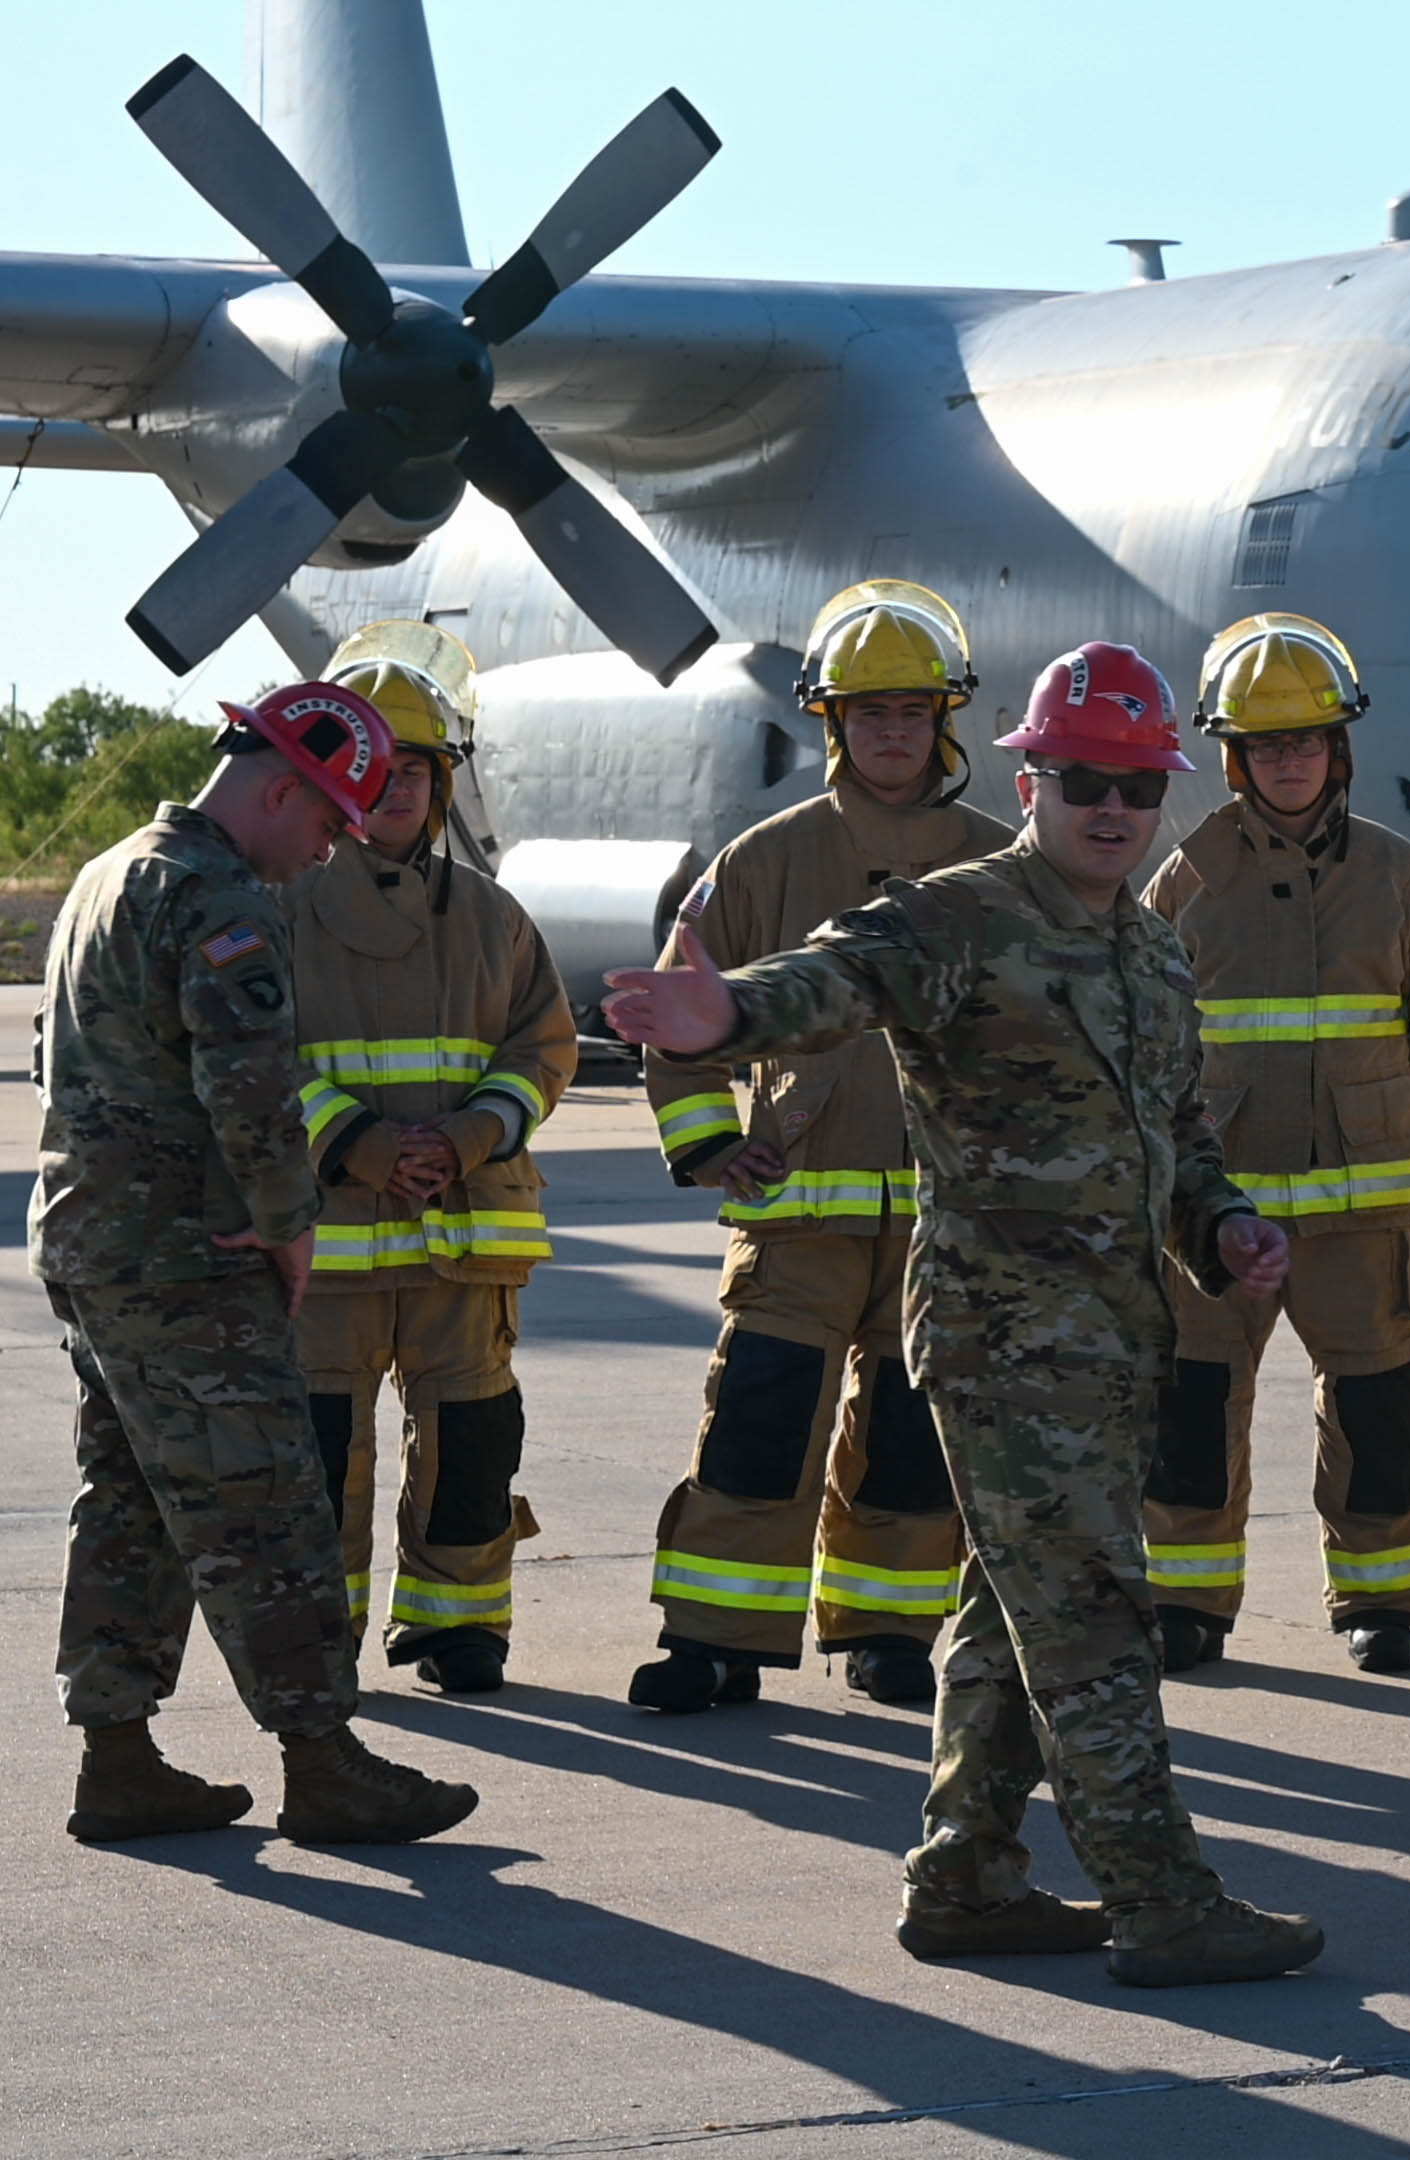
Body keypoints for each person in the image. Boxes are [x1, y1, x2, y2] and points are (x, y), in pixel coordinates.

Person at [602, 640, 1322, 1988]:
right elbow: (830, 981)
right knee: (1095, 1615)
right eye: (1084, 780)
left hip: (1114, 1337)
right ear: (1033, 777)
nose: (1111, 807)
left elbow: (1175, 1132)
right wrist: (721, 1022)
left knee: (1008, 1612)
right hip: (1004, 1337)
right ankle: (1162, 1901)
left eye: (1136, 785)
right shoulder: (957, 912)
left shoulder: (1152, 951)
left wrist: (1221, 1228)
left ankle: (966, 1881)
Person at [40, 682, 479, 1846]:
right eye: (329, 823)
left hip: (97, 1243)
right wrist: (292, 1223)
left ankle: (117, 1754)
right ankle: (323, 1761)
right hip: (188, 1255)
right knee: (266, 1503)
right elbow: (250, 1086)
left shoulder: (109, 872)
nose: (325, 852)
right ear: (280, 789)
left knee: (132, 1499)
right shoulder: (218, 894)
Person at [631, 582, 1014, 1713]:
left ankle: (888, 1628)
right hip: (797, 1218)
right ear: (830, 720)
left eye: (910, 710)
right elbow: (672, 1007)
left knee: (909, 1442)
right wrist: (708, 1146)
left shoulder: (1005, 867)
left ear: (943, 718)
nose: (890, 732)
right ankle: (714, 1637)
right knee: (757, 1423)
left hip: (945, 1231)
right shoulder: (763, 860)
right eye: (867, 712)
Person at [1138, 613, 1410, 1676]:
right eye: (1266, 744)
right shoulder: (1186, 884)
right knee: (1192, 1406)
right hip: (1213, 1215)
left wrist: (1377, 1120)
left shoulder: (1399, 875)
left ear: (1340, 749)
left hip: (1360, 1209)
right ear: (1233, 757)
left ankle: (1382, 1604)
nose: (1289, 759)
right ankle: (1186, 1605)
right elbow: (1146, 1042)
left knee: (1380, 1403)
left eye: (1308, 740)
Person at [288, 624, 577, 1695]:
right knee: (321, 1451)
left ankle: (459, 1627)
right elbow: (245, 1056)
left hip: (466, 1234)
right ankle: (318, 1645)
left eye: (414, 768)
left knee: (471, 1441)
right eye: (369, 768)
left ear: (443, 780)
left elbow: (544, 1049)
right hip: (329, 1244)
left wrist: (470, 1135)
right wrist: (357, 1142)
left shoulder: (496, 919)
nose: (394, 788)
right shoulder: (278, 908)